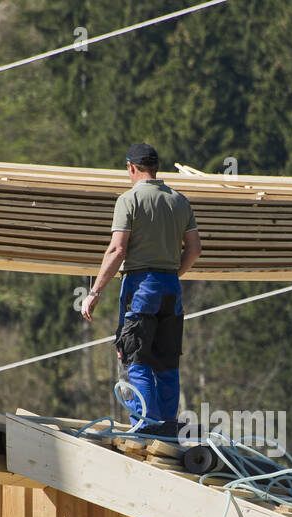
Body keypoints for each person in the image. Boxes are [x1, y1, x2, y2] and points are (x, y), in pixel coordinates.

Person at [80, 143, 202, 436]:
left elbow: (117, 249)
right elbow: (195, 249)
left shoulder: (128, 200)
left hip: (140, 289)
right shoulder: (179, 201)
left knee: (137, 358)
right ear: (156, 167)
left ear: (131, 167)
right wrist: (173, 274)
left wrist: (95, 291)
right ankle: (169, 426)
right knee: (167, 359)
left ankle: (147, 425)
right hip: (171, 289)